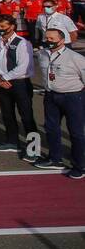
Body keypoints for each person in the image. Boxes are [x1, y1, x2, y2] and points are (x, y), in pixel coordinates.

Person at [33, 28, 85, 179]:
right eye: (46, 37)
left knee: (76, 132)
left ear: (62, 40)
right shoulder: (42, 54)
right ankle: (55, 158)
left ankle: (80, 165)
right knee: (51, 128)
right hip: (50, 96)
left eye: (52, 38)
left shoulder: (75, 58)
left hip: (73, 97)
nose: (48, 40)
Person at [0, 14, 36, 158]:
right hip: (1, 82)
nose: (0, 29)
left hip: (20, 83)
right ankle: (12, 141)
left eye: (3, 26)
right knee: (7, 114)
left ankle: (33, 148)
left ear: (12, 26)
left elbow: (23, 66)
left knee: (26, 116)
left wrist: (4, 78)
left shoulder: (22, 43)